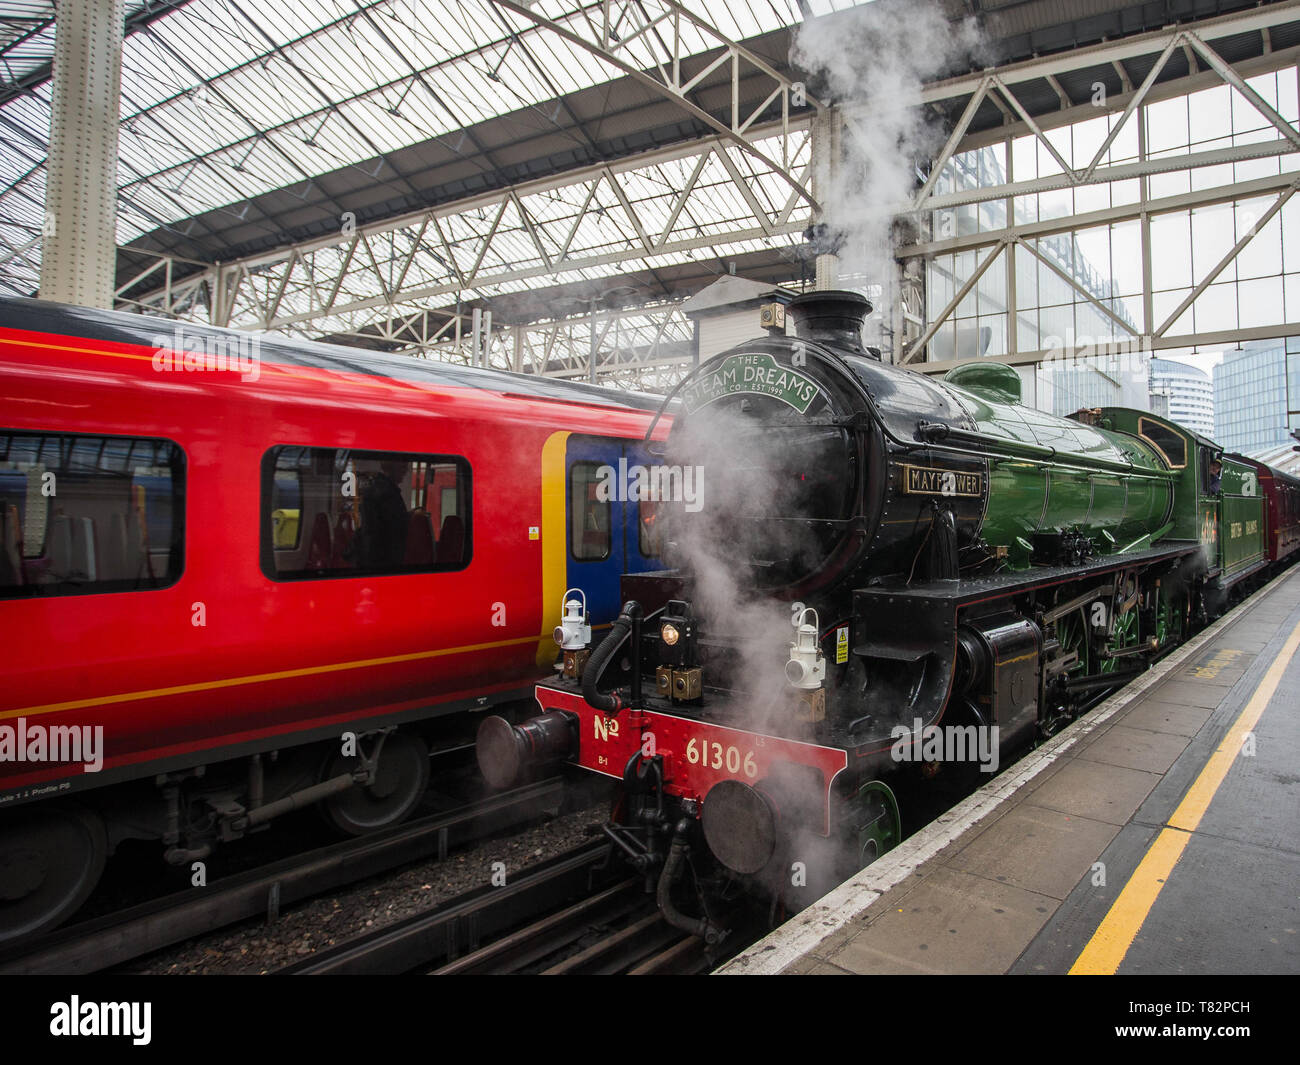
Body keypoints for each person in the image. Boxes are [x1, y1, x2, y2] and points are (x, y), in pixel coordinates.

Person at [352, 461, 409, 569]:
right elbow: (392, 530)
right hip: (384, 561)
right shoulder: (387, 493)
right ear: (391, 467)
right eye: (403, 465)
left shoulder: (378, 489)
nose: (406, 471)